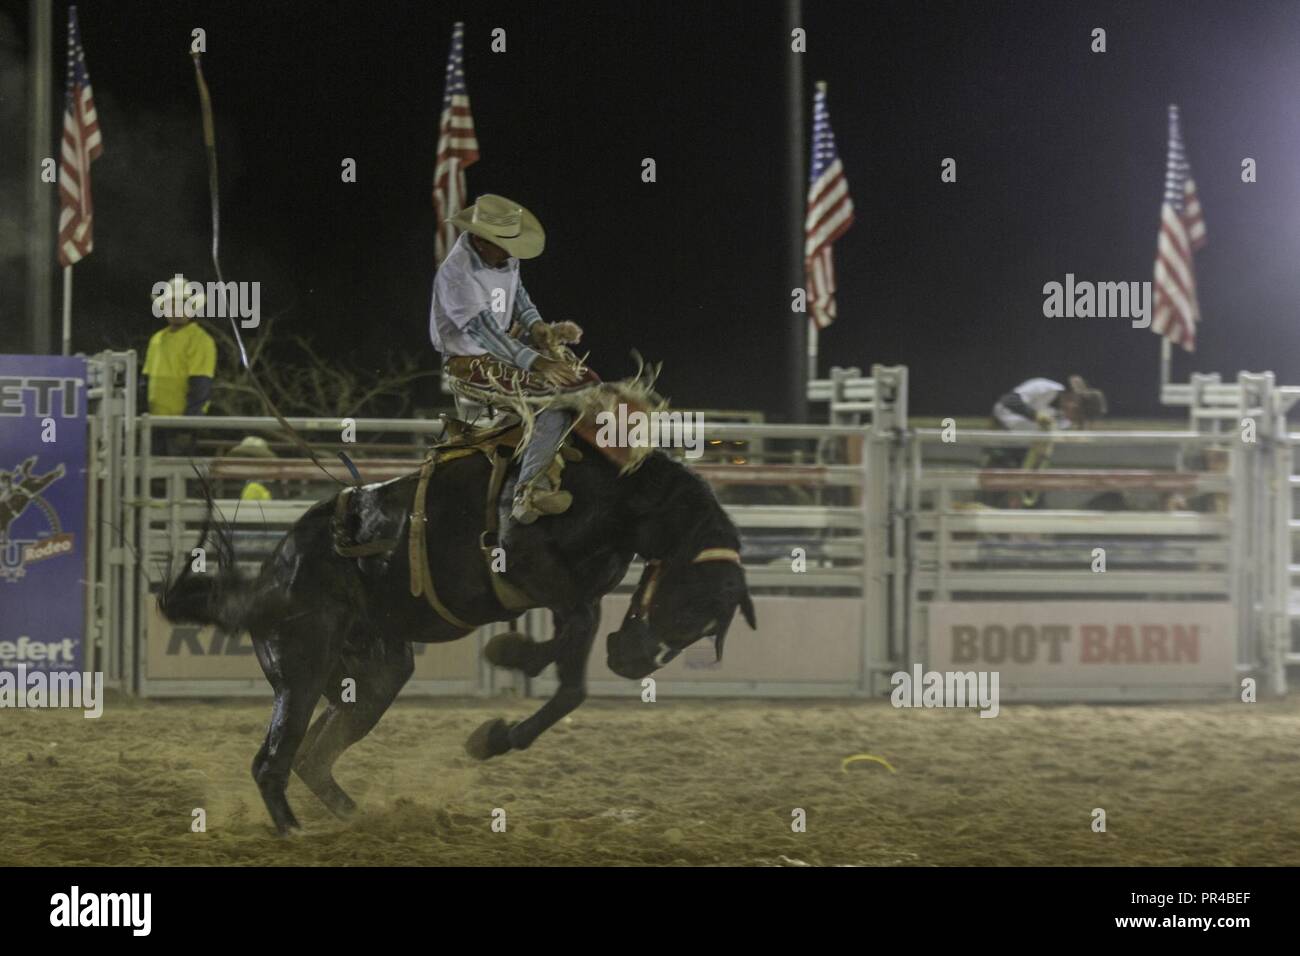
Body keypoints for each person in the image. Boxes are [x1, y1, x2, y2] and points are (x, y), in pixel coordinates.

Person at [429, 194, 593, 524]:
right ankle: (529, 491)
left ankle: (555, 447)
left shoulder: (500, 258)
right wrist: (539, 362)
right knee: (555, 398)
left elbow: (519, 297)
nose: (510, 252)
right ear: (479, 239)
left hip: (504, 351)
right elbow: (486, 333)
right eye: (503, 245)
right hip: (470, 362)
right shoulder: (458, 276)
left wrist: (538, 326)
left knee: (585, 380)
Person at [987, 375, 1107, 508]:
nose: (1074, 420)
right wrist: (1035, 415)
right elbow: (1009, 401)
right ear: (1073, 400)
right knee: (995, 488)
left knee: (1034, 496)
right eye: (1077, 414)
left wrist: (1040, 458)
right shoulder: (1043, 387)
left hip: (1025, 449)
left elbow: (1044, 442)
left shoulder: (1065, 421)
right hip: (1001, 436)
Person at [141, 275, 217, 455]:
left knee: (178, 476)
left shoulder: (200, 340)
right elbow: (145, 382)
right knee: (151, 478)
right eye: (170, 304)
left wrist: (188, 425)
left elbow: (201, 386)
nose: (175, 309)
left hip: (180, 424)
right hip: (153, 423)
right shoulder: (157, 339)